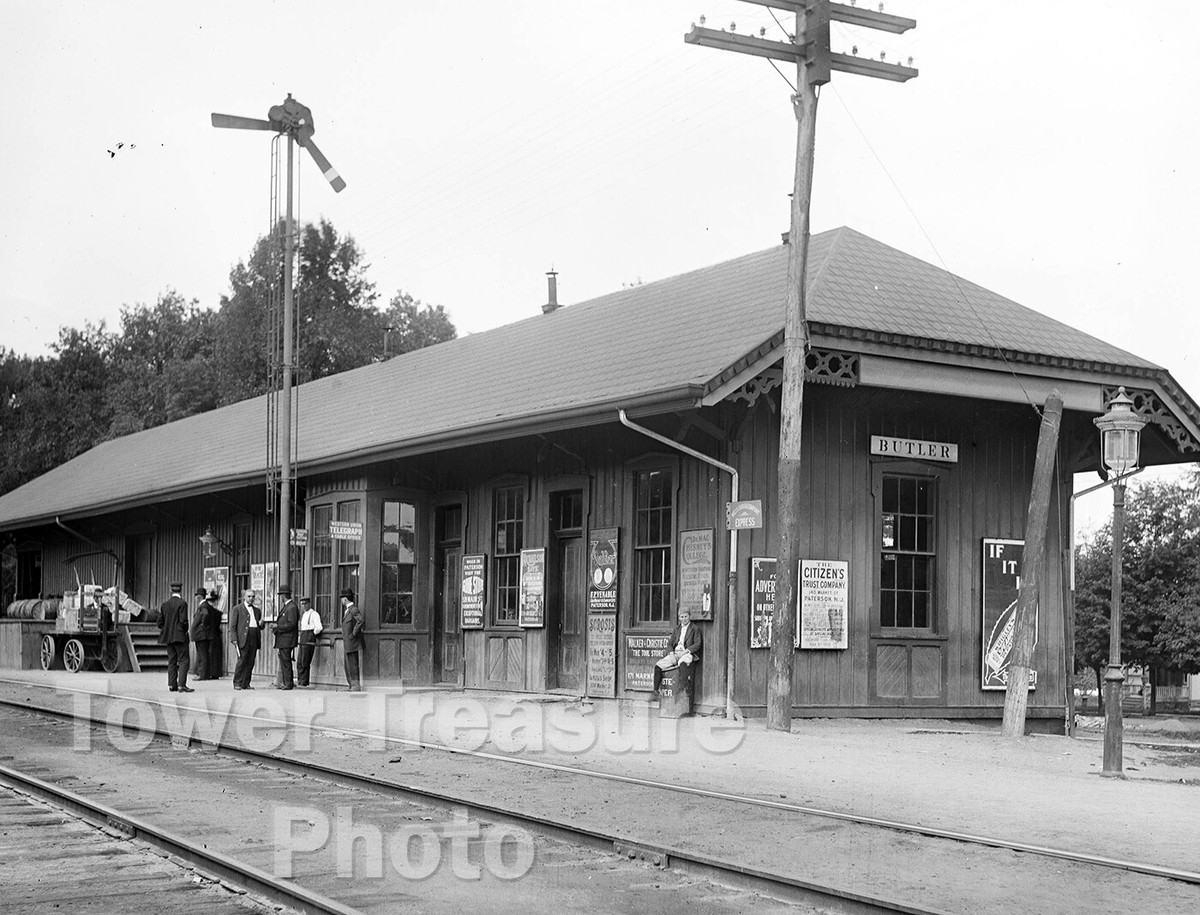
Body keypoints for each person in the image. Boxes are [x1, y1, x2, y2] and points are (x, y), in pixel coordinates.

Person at [652, 608, 702, 696]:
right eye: (682, 617)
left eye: (686, 616)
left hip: (687, 653)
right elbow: (670, 643)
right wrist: (671, 654)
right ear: (679, 618)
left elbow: (697, 644)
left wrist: (685, 652)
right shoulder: (677, 629)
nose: (684, 619)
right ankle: (655, 691)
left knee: (682, 663)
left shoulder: (694, 628)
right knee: (658, 666)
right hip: (675, 653)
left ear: (689, 616)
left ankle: (681, 691)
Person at [156, 582, 192, 693]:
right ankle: (182, 685)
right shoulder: (182, 604)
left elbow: (159, 623)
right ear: (181, 590)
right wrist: (184, 631)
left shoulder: (165, 604)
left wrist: (167, 628)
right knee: (184, 660)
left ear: (171, 591)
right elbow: (183, 621)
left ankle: (172, 685)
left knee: (172, 660)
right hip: (180, 637)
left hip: (168, 637)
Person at [231, 589, 263, 690]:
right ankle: (237, 682)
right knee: (242, 660)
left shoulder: (257, 610)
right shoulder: (237, 609)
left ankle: (246, 683)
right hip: (243, 638)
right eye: (249, 596)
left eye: (253, 596)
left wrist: (261, 624)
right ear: (244, 597)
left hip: (254, 637)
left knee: (250, 661)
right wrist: (234, 639)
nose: (251, 598)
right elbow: (233, 626)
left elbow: (259, 625)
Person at [274, 585, 299, 690]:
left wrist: (278, 626)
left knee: (286, 661)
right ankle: (286, 682)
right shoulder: (288, 607)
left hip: (287, 639)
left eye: (281, 595)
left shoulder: (291, 607)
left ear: (283, 596)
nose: (281, 598)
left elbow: (291, 624)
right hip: (284, 639)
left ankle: (288, 683)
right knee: (284, 661)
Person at [339, 587, 364, 691]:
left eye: (342, 598)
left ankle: (355, 686)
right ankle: (351, 685)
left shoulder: (353, 609)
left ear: (345, 599)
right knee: (348, 665)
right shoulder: (348, 610)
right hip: (348, 643)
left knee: (353, 664)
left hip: (352, 642)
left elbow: (361, 621)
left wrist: (353, 634)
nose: (341, 601)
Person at [296, 596, 323, 687]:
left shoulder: (314, 614)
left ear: (309, 604)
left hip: (309, 636)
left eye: (305, 604)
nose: (304, 606)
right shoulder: (304, 615)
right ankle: (300, 681)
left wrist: (312, 634)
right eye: (302, 604)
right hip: (303, 636)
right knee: (299, 660)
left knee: (305, 660)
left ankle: (304, 682)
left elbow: (319, 627)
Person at [190, 587, 212, 680]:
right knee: (204, 654)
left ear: (199, 597)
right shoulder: (205, 605)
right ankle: (204, 674)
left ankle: (202, 675)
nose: (195, 598)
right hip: (203, 634)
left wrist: (203, 626)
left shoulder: (203, 606)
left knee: (202, 654)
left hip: (202, 634)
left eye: (196, 596)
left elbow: (205, 615)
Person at [204, 589, 224, 678]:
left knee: (206, 653)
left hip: (207, 634)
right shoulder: (218, 613)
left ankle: (206, 672)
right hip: (215, 635)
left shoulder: (205, 610)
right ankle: (215, 672)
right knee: (215, 655)